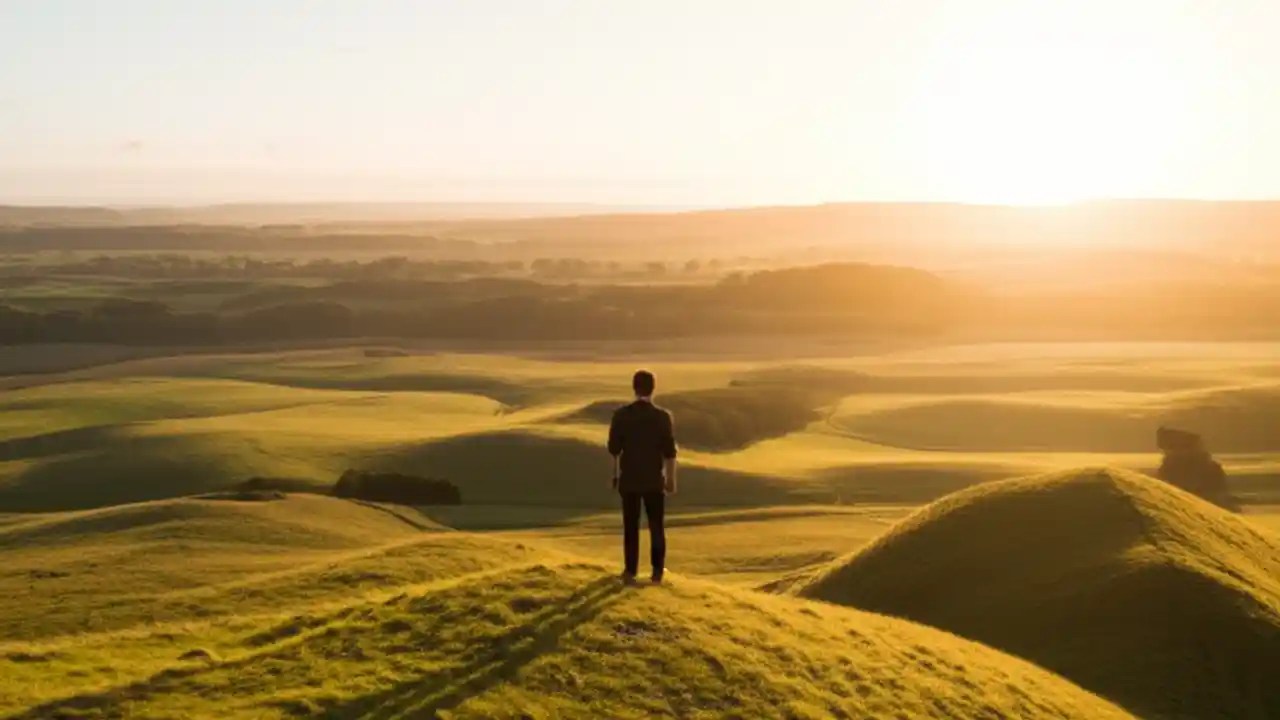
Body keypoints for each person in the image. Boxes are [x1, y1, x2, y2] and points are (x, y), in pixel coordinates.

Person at [608, 369, 677, 584]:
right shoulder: (662, 417)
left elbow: (613, 449)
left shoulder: (621, 415)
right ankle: (657, 571)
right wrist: (671, 479)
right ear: (653, 388)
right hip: (654, 480)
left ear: (634, 388)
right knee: (656, 525)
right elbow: (669, 451)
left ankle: (631, 570)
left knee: (631, 526)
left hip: (629, 480)